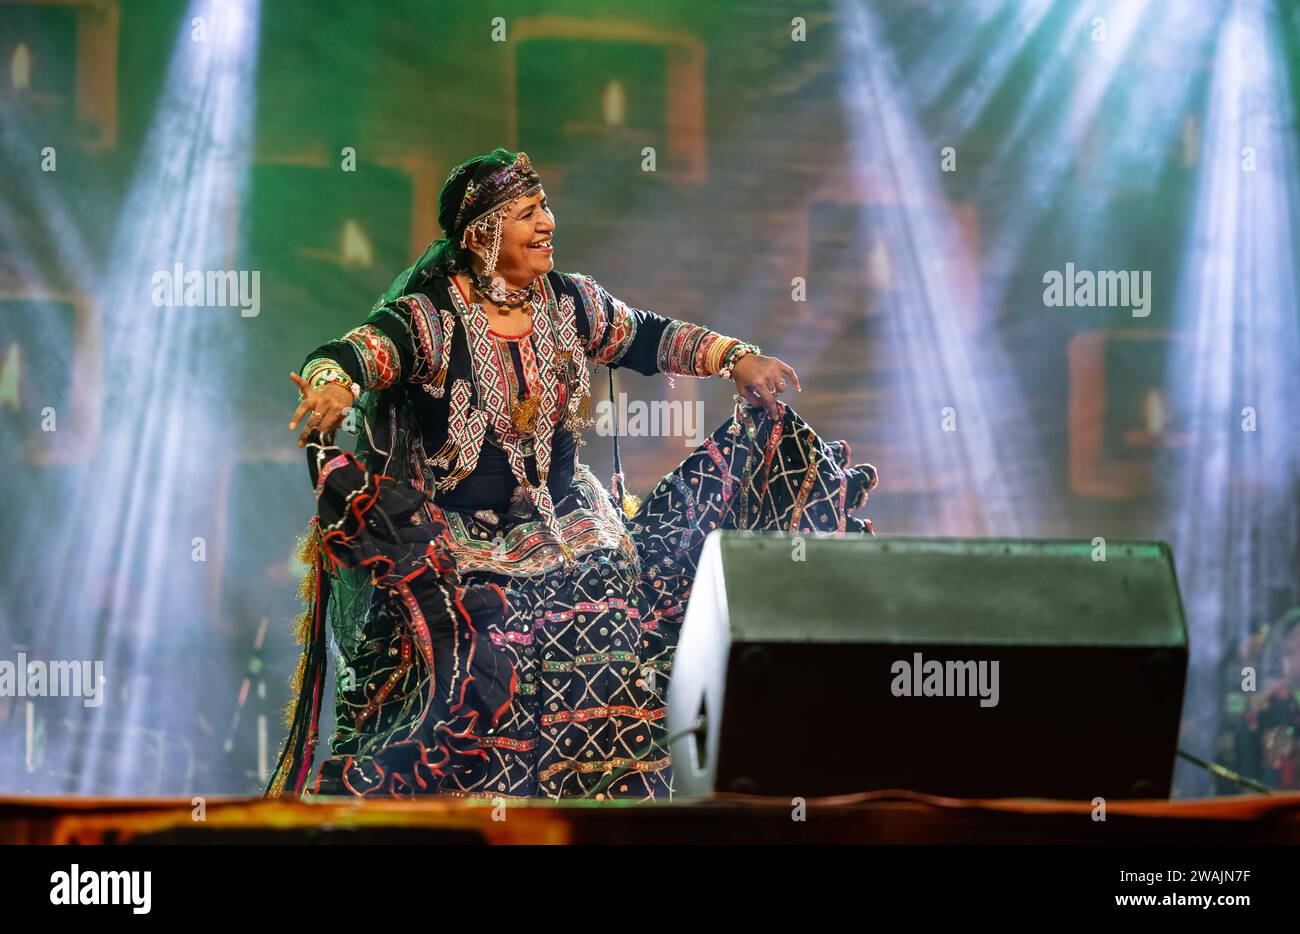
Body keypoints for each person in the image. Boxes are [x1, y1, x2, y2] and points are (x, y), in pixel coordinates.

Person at [267, 148, 877, 801]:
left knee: (622, 632)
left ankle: (609, 818)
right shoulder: (431, 320)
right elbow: (354, 354)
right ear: (482, 234)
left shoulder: (572, 303)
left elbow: (649, 338)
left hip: (572, 531)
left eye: (546, 207)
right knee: (484, 653)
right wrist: (331, 386)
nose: (548, 223)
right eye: (529, 213)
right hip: (463, 550)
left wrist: (737, 358)